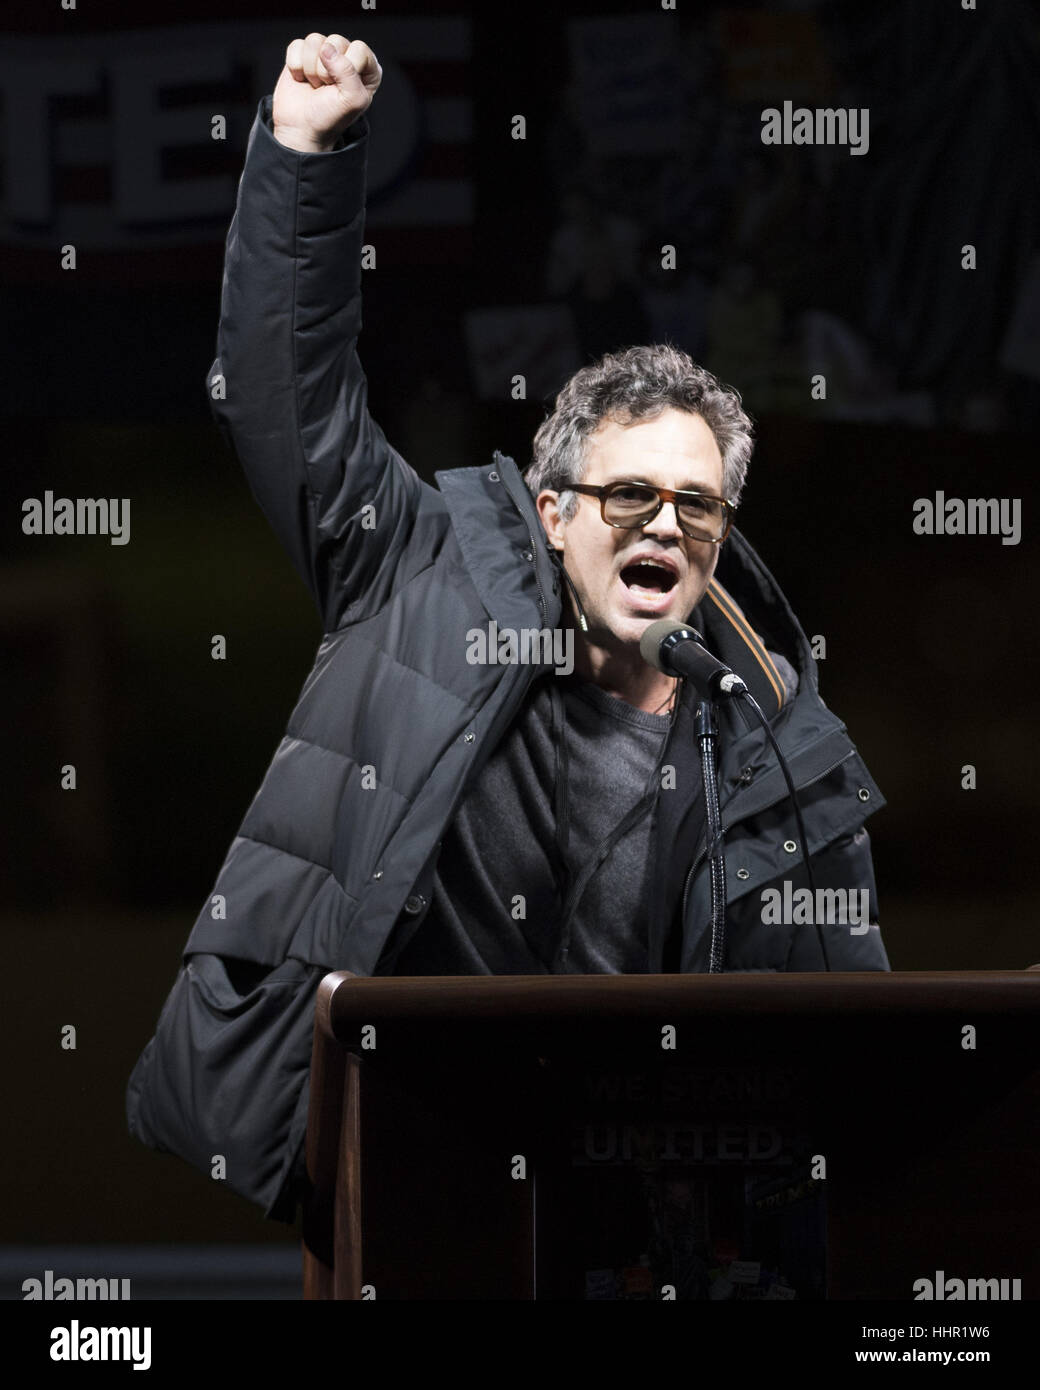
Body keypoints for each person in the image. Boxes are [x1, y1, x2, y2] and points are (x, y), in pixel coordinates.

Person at [126, 33, 889, 1222]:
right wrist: (301, 159)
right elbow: (285, 391)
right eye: (627, 494)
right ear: (550, 513)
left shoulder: (779, 742)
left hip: (637, 1212)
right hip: (411, 1175)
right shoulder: (418, 569)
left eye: (696, 505)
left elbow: (851, 1048)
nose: (664, 525)